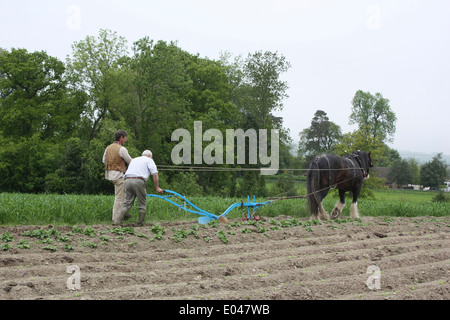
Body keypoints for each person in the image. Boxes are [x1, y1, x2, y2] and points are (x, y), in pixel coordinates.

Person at [114, 150, 164, 226]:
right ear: (150, 156)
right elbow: (155, 174)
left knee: (127, 204)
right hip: (138, 181)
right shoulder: (149, 160)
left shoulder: (134, 160)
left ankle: (117, 222)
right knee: (142, 203)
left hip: (127, 180)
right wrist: (157, 187)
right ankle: (140, 223)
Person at [102, 130, 132, 223]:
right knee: (119, 198)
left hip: (109, 174)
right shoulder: (122, 149)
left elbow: (104, 161)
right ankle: (116, 219)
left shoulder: (108, 148)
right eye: (125, 138)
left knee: (122, 195)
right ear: (121, 137)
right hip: (118, 175)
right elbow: (130, 161)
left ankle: (123, 214)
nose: (125, 140)